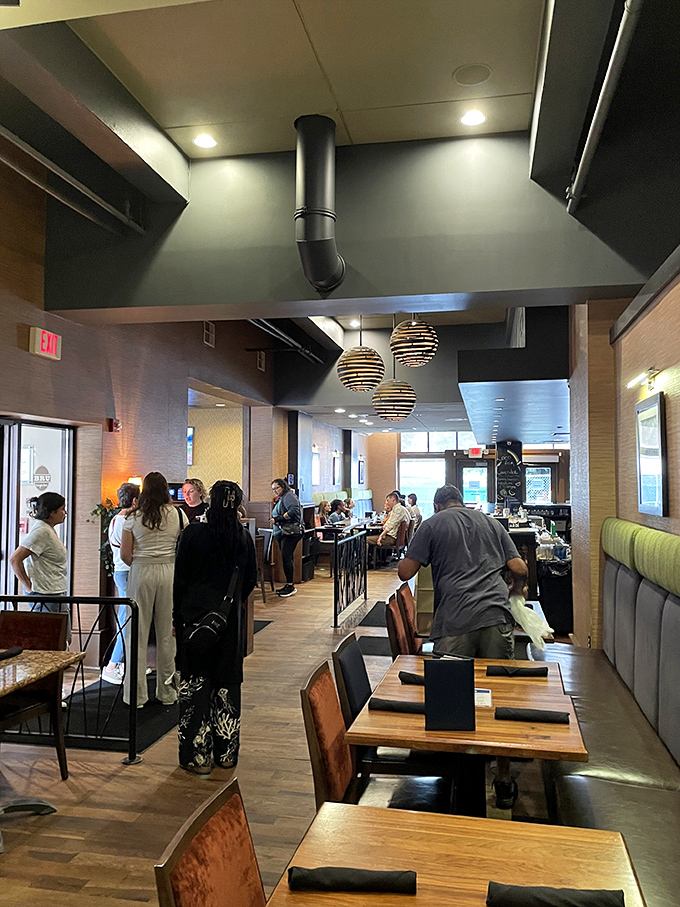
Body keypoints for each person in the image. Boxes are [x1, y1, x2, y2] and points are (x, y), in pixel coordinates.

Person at [397, 483, 528, 809]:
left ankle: (454, 779)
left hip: (454, 622)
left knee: (451, 701)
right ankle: (503, 781)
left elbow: (404, 572)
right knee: (499, 698)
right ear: (461, 502)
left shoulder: (432, 524)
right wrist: (515, 593)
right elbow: (519, 568)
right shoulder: (490, 523)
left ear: (439, 505)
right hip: (496, 617)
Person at [173, 480, 257, 775]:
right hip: (228, 623)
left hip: (194, 620)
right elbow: (249, 582)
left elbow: (180, 580)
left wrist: (177, 618)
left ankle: (197, 756)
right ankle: (227, 754)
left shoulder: (193, 534)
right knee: (226, 686)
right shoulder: (242, 537)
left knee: (196, 685)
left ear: (210, 501)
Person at [121, 471, 188, 708]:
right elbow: (185, 547)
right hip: (169, 571)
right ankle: (167, 692)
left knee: (136, 633)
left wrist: (142, 563)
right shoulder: (178, 515)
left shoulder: (133, 516)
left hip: (141, 571)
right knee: (167, 634)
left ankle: (135, 695)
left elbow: (125, 555)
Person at [9, 492, 70, 633]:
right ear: (52, 512)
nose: (65, 512)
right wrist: (28, 586)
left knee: (61, 638)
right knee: (50, 639)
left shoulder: (47, 530)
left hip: (54, 592)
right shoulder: (41, 531)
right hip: (46, 594)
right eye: (62, 509)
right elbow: (15, 559)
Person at [101, 482, 140, 684]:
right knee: (127, 619)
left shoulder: (116, 519)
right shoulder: (127, 522)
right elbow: (129, 553)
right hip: (127, 572)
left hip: (120, 571)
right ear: (135, 500)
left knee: (128, 617)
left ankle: (123, 663)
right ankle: (112, 665)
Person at [270, 477, 303, 598]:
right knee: (286, 558)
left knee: (286, 557)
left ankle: (290, 585)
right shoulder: (283, 497)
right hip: (284, 532)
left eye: (276, 488)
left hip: (290, 532)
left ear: (283, 487)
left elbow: (294, 511)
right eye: (273, 489)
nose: (275, 491)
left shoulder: (289, 496)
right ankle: (289, 584)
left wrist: (278, 519)